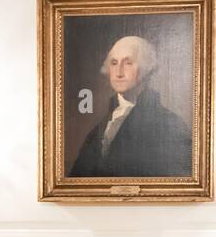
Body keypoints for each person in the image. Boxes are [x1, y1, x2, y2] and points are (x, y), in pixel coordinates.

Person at [68, 35, 191, 178]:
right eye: (114, 63)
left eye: (128, 63)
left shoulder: (170, 125)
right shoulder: (100, 128)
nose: (119, 72)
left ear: (146, 69)